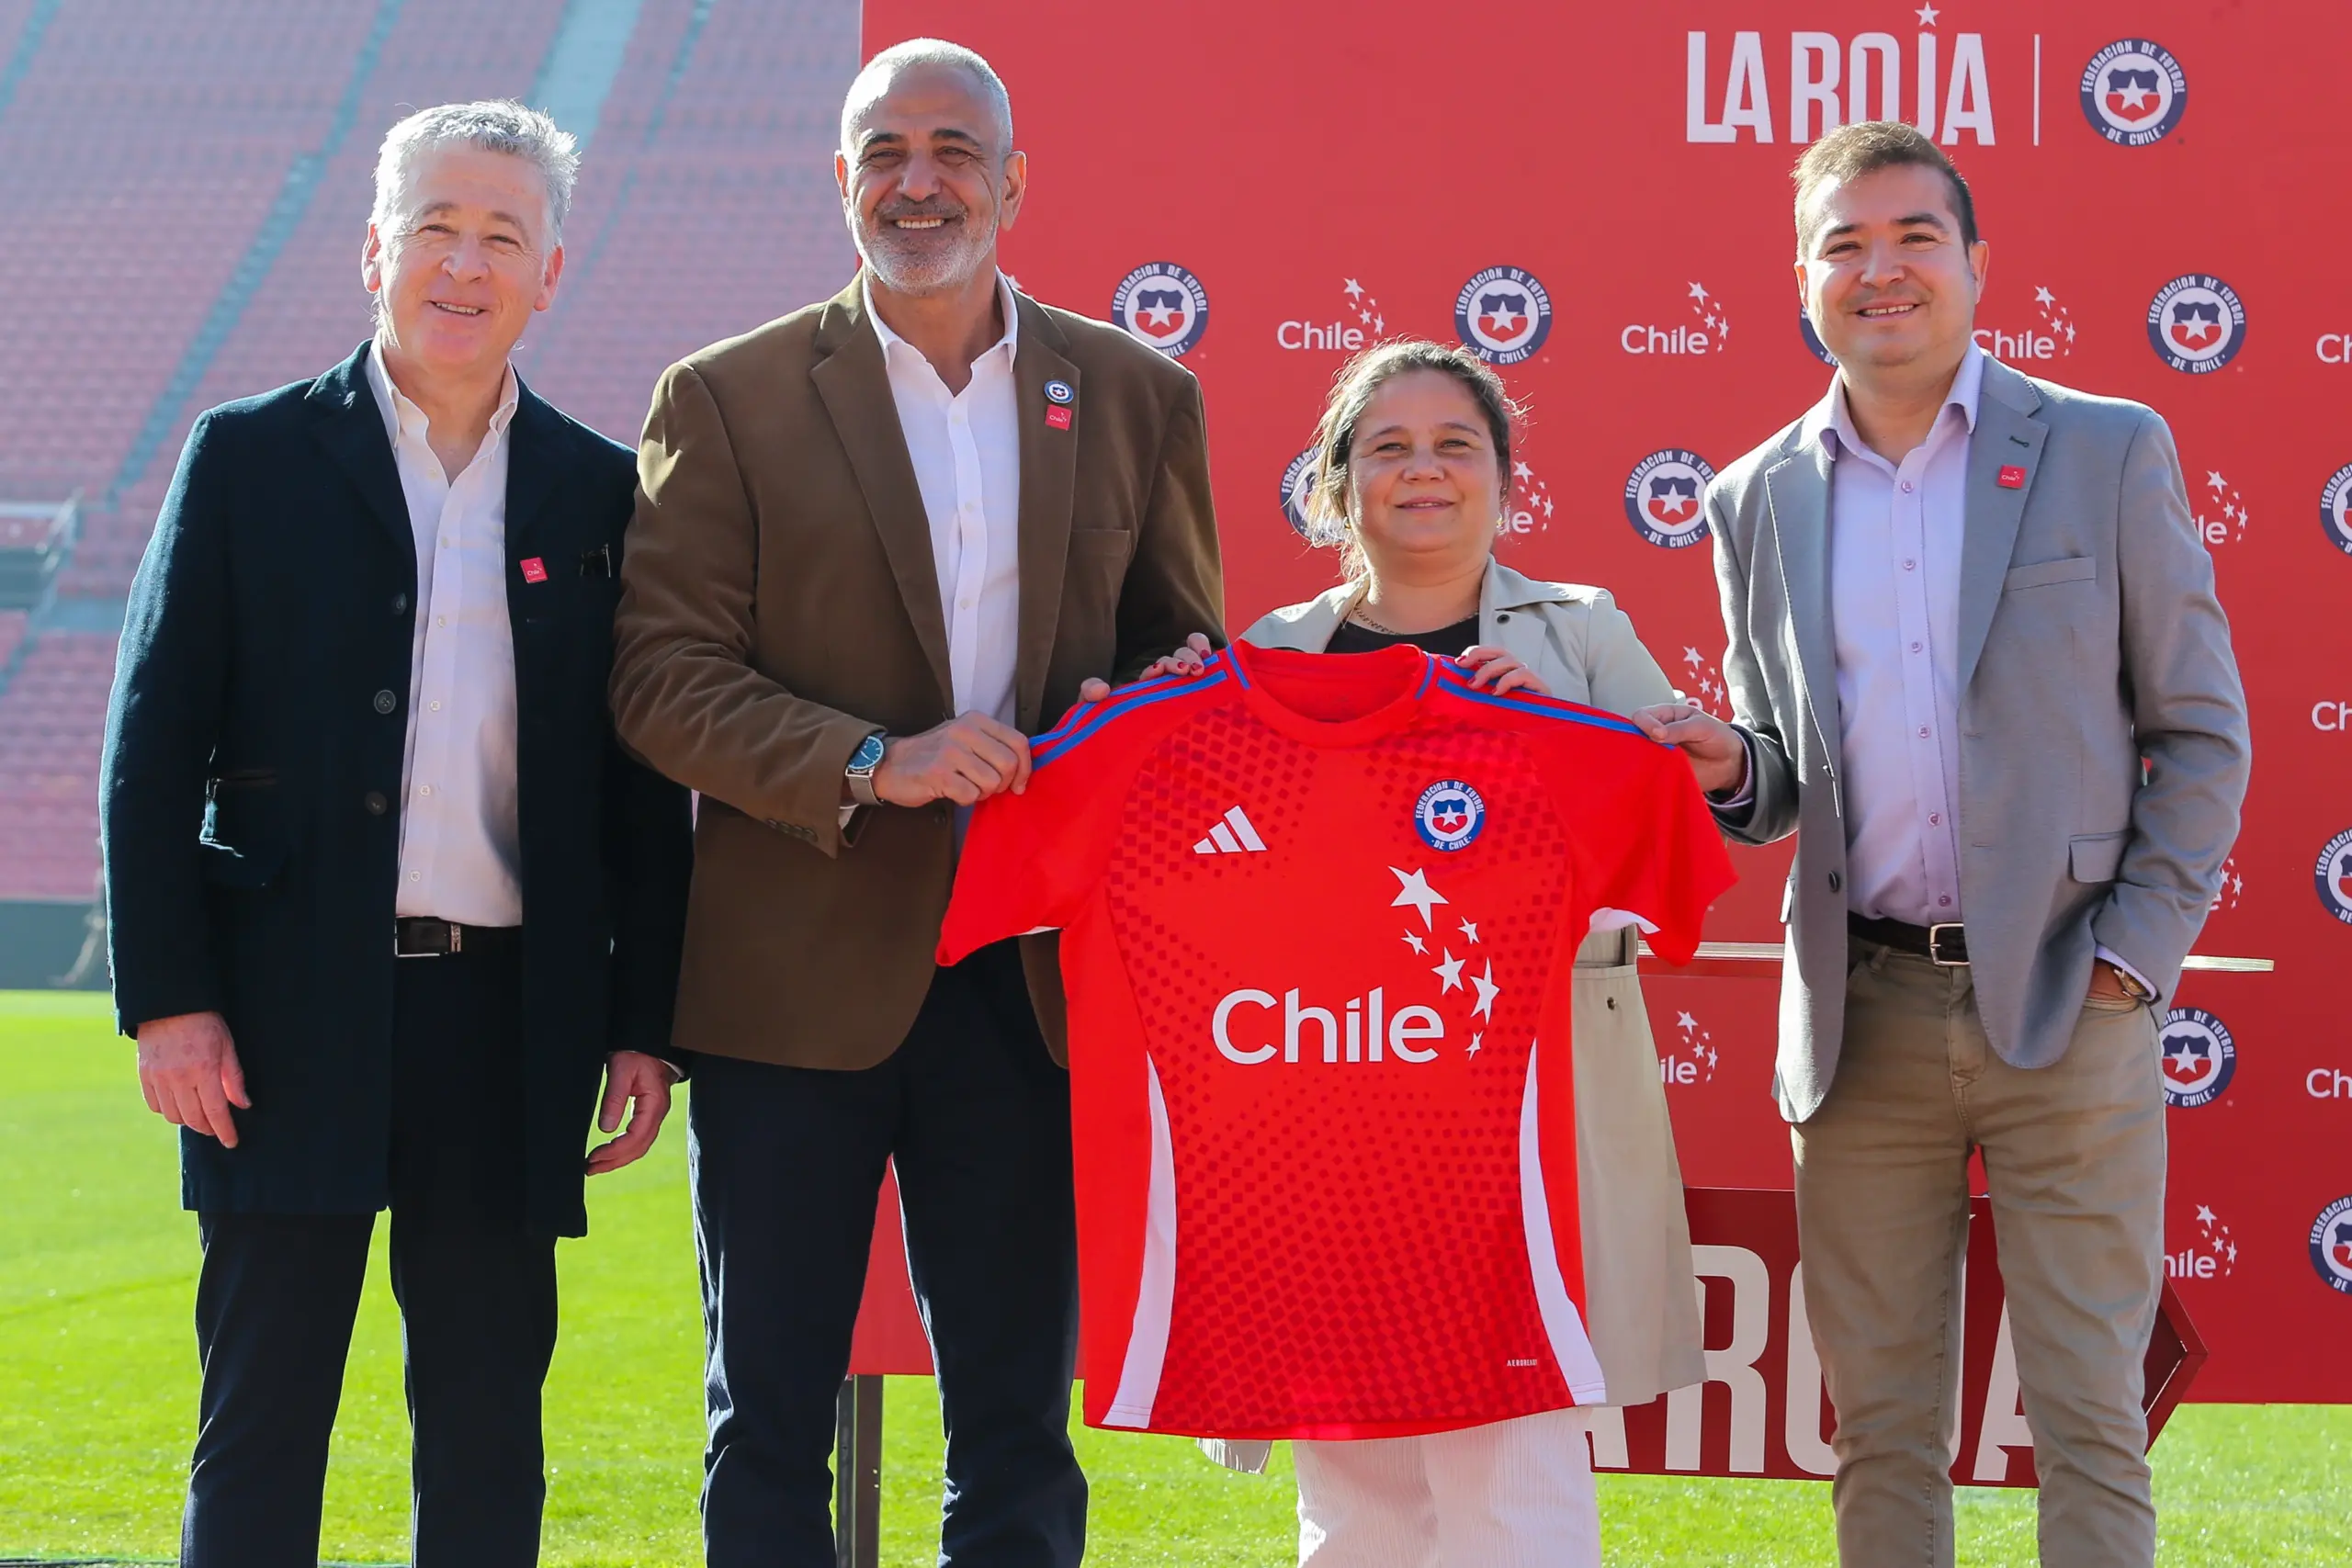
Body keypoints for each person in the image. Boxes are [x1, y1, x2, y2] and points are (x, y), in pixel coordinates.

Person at [606, 39, 1223, 1568]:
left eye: (954, 149)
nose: (918, 179)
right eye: (883, 150)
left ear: (1013, 182)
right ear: (840, 181)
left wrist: (1142, 709)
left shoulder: (1137, 393)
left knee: (1016, 1424)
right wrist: (872, 760)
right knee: (768, 1425)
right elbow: (660, 679)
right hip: (785, 994)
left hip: (1026, 990)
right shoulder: (728, 396)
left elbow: (1183, 661)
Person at [1634, 122, 2248, 1568]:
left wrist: (2133, 958)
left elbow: (2203, 733)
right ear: (1803, 278)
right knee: (1881, 1427)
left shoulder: (2105, 448)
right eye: (1844, 243)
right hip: (1862, 1024)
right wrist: (1731, 766)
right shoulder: (1750, 498)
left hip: (2071, 1004)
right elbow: (1789, 775)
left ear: (1977, 265)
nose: (1881, 269)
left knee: (2092, 1417)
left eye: (1914, 236)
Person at [100, 101, 693, 1568]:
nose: (465, 264)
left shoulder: (602, 492)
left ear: (551, 274)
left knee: (489, 1427)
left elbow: (642, 794)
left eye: (504, 235)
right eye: (437, 225)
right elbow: (150, 743)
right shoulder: (246, 459)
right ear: (374, 248)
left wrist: (640, 1024)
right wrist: (170, 1001)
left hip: (505, 1022)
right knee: (260, 1415)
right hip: (282, 1013)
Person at [1212, 339, 1705, 1568]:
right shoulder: (1271, 649)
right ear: (1333, 485)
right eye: (1387, 447)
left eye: (1454, 446)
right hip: (1336, 1116)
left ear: (1504, 477)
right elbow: (1233, 881)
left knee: (1513, 1478)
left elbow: (1672, 833)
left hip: (1523, 1131)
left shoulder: (1582, 635)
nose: (1422, 471)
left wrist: (1551, 741)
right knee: (1355, 1493)